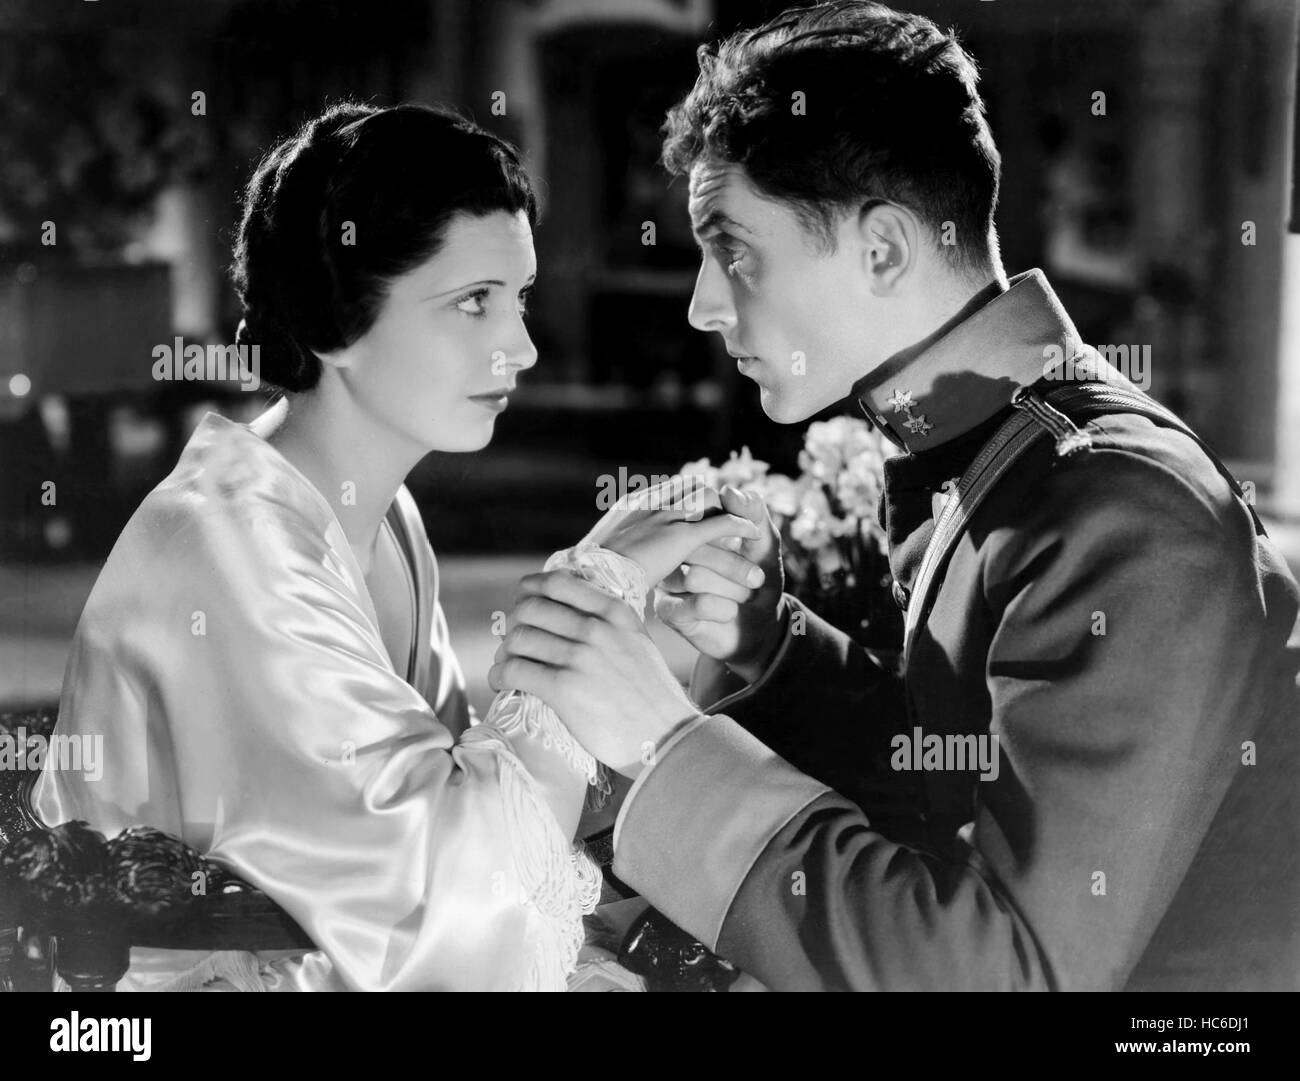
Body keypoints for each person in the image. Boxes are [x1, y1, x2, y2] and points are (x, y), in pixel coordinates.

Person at [493, 1, 1300, 990]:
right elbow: (962, 777)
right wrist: (773, 650)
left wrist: (660, 739)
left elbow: (998, 971)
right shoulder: (986, 445)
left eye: (734, 250)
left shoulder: (1120, 510)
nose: (704, 303)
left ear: (880, 250)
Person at [33, 102, 753, 991]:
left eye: (519, 297)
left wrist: (639, 634)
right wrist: (593, 585)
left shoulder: (383, 516)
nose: (521, 347)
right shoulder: (230, 543)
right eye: (474, 303)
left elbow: (459, 799)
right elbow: (452, 892)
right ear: (337, 321)